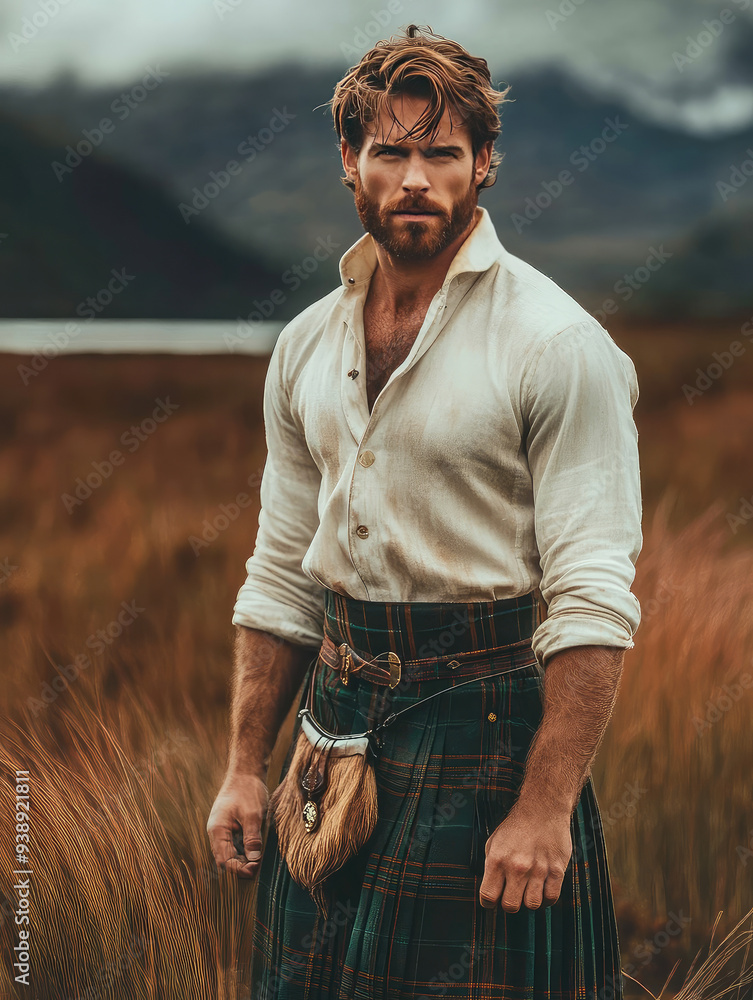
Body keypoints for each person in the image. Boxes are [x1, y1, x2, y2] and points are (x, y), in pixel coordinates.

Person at [207, 23, 641, 1000]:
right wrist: (245, 765)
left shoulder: (557, 345)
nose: (414, 178)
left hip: (484, 732)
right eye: (390, 150)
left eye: (440, 152)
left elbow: (593, 598)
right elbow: (281, 574)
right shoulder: (307, 345)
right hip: (327, 730)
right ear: (349, 163)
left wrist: (545, 808)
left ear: (483, 164)